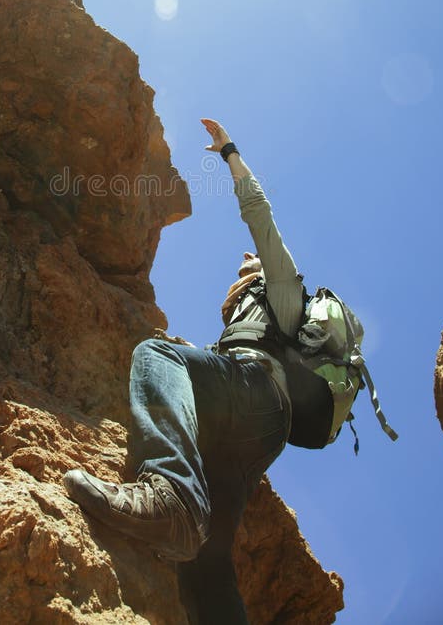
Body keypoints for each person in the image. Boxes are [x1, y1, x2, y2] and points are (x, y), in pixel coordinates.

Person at [64, 118, 333, 624]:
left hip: (254, 394)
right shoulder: (254, 324)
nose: (247, 258)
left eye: (249, 263)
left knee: (157, 354)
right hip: (260, 433)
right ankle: (185, 524)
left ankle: (170, 494)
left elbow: (259, 213)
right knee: (208, 563)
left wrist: (230, 152)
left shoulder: (283, 287)